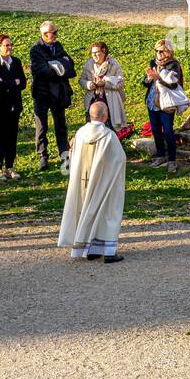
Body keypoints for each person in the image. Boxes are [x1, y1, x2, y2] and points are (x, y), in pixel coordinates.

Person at [57, 101, 127, 264]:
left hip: (83, 182)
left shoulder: (80, 133)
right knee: (107, 212)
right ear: (105, 115)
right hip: (103, 181)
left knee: (85, 210)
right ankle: (109, 252)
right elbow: (119, 159)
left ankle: (90, 249)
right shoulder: (108, 135)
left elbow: (72, 155)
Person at [29, 21, 75, 172]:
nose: (55, 35)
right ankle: (43, 155)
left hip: (58, 93)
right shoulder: (35, 49)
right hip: (42, 94)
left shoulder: (58, 46)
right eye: (53, 33)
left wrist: (54, 64)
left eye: (56, 32)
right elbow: (42, 70)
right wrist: (59, 65)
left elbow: (70, 66)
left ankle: (64, 155)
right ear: (44, 34)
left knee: (61, 125)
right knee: (42, 126)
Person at [0, 35, 25, 181]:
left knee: (12, 137)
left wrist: (7, 83)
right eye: (6, 45)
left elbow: (23, 83)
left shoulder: (16, 62)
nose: (9, 48)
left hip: (14, 106)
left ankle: (10, 167)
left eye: (10, 45)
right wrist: (13, 83)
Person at [144, 39, 186, 173]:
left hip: (166, 103)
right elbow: (145, 83)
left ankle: (172, 160)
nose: (158, 53)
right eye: (156, 51)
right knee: (155, 130)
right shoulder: (153, 63)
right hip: (152, 101)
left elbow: (174, 85)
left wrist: (159, 78)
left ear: (168, 51)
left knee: (168, 131)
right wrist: (148, 79)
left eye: (161, 51)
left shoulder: (173, 65)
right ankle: (160, 156)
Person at [80, 41, 127, 130]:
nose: (93, 55)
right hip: (92, 100)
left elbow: (121, 82)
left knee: (110, 130)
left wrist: (105, 84)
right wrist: (89, 84)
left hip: (110, 101)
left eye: (96, 52)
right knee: (93, 130)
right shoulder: (89, 64)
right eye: (92, 53)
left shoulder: (113, 64)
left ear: (104, 51)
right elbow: (82, 80)